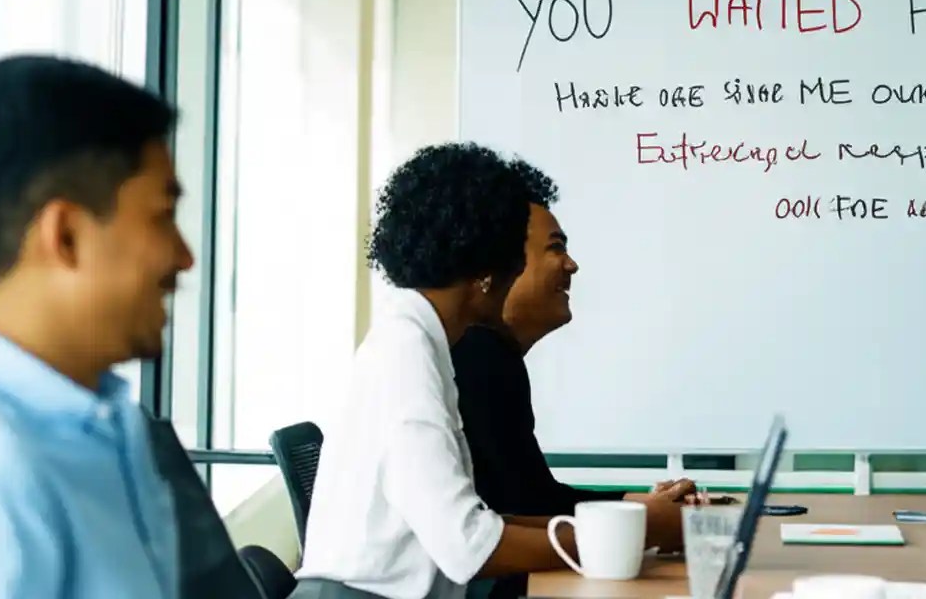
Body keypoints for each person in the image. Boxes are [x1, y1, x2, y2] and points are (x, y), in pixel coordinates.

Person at [293, 143, 688, 599]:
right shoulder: (406, 353)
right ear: (487, 265)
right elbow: (470, 546)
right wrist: (633, 534)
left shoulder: (419, 338)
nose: (518, 270)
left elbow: (484, 519)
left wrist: (628, 524)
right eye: (514, 255)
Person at [0, 55, 195, 597]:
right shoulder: (3, 471)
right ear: (66, 236)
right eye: (162, 216)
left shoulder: (107, 426)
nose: (184, 257)